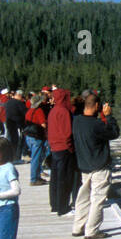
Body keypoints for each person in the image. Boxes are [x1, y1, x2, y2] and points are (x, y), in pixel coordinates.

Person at [71, 94, 120, 239]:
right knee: (97, 199)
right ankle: (91, 230)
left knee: (83, 197)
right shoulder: (97, 124)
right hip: (99, 165)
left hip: (84, 165)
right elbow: (114, 133)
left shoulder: (77, 121)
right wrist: (109, 117)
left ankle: (78, 227)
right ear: (97, 106)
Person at [47, 87, 76, 215]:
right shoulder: (64, 111)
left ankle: (55, 205)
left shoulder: (53, 110)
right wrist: (71, 148)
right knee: (65, 179)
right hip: (64, 148)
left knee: (55, 178)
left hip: (54, 147)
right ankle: (63, 207)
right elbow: (67, 133)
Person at [23, 91, 50, 185]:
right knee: (36, 158)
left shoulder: (29, 111)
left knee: (35, 157)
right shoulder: (39, 111)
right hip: (37, 136)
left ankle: (37, 176)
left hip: (28, 136)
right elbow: (43, 124)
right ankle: (34, 178)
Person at [3, 90, 27, 162]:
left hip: (9, 123)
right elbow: (25, 113)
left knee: (10, 140)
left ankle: (9, 157)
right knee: (17, 141)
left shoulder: (8, 102)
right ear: (19, 95)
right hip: (17, 124)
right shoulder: (19, 103)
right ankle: (16, 157)